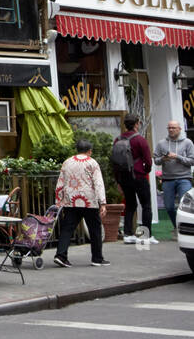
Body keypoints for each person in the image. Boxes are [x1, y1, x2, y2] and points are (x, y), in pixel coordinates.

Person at [53, 139, 109, 268]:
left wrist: (59, 200)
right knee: (95, 229)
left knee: (67, 228)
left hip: (71, 200)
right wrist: (103, 203)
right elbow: (98, 183)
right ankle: (97, 258)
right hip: (89, 201)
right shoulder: (92, 163)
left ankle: (61, 255)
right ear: (89, 151)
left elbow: (60, 182)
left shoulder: (67, 162)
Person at [111, 113, 153, 242]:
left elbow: (114, 161)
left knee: (130, 205)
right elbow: (148, 161)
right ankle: (146, 235)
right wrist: (145, 171)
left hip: (124, 177)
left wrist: (118, 180)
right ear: (137, 124)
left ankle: (128, 234)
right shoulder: (140, 139)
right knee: (146, 205)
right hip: (139, 176)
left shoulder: (117, 140)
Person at [153, 119, 193, 233]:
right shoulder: (161, 143)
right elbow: (156, 160)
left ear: (179, 129)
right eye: (169, 128)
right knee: (169, 206)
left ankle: (184, 229)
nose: (171, 130)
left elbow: (192, 161)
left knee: (184, 205)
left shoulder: (187, 143)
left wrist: (177, 157)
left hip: (184, 178)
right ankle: (176, 226)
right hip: (167, 179)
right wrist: (163, 158)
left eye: (173, 128)